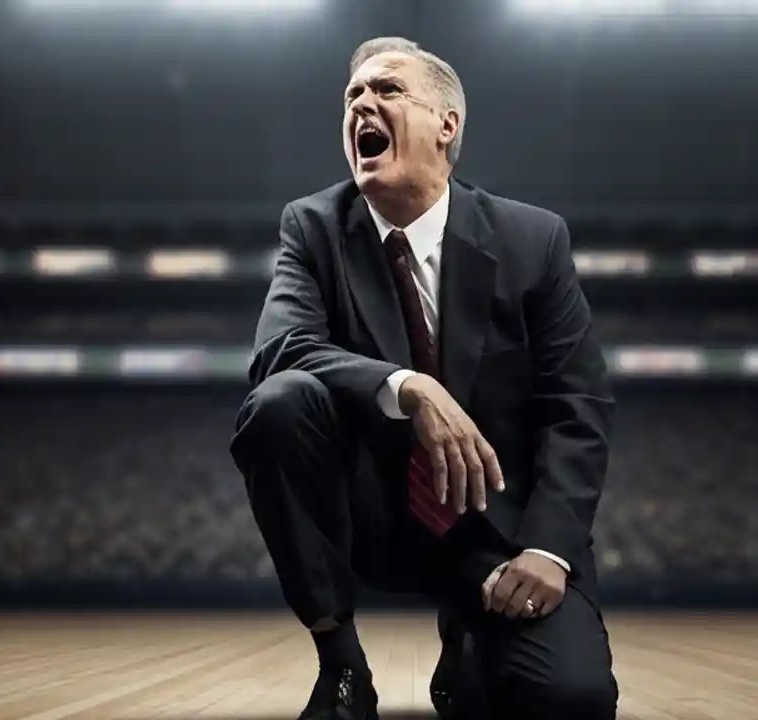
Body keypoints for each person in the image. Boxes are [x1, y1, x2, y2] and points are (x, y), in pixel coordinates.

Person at [230, 36, 618, 720]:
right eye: (352, 96)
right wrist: (408, 385)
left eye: (386, 90)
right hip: (372, 512)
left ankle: (470, 633)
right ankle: (341, 663)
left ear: (447, 125)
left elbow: (576, 405)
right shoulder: (314, 227)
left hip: (494, 525)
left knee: (570, 701)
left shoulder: (534, 239)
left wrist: (548, 549)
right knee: (279, 401)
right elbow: (279, 348)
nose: (362, 106)